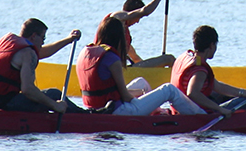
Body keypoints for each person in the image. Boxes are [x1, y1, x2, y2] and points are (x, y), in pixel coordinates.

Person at [77, 17, 206, 116]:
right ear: (118, 37)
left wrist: (142, 94)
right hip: (118, 111)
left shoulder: (87, 52)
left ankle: (158, 112)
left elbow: (113, 92)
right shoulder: (112, 59)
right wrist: (142, 97)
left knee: (141, 83)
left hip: (94, 106)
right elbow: (125, 97)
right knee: (169, 90)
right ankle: (200, 115)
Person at [0, 18, 86, 113]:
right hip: (5, 103)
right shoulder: (27, 53)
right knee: (54, 93)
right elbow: (27, 89)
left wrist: (69, 39)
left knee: (48, 96)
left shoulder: (7, 42)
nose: (43, 42)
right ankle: (87, 117)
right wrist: (55, 105)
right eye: (43, 38)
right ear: (33, 36)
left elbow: (43, 52)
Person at [173, 25, 246, 117]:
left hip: (182, 109)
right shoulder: (200, 71)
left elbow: (218, 86)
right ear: (212, 46)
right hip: (198, 113)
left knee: (223, 95)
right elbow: (192, 93)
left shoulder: (188, 58)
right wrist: (219, 109)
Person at [101, 0, 176, 68]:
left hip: (122, 70)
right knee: (169, 59)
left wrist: (156, 68)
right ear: (134, 13)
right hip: (112, 70)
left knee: (163, 61)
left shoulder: (124, 36)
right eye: (138, 17)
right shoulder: (116, 17)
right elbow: (145, 11)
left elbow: (136, 59)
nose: (137, 21)